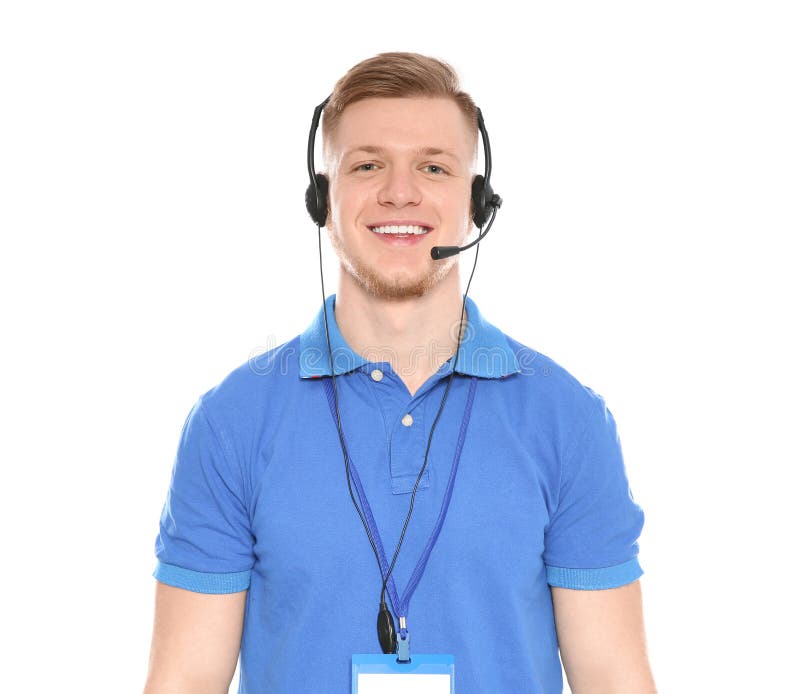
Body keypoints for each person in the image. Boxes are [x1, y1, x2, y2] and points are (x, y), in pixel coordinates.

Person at [143, 52, 657, 693]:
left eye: (433, 167)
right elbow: (186, 680)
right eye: (367, 165)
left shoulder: (568, 419)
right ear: (321, 199)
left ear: (477, 202)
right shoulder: (230, 422)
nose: (400, 191)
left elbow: (612, 678)